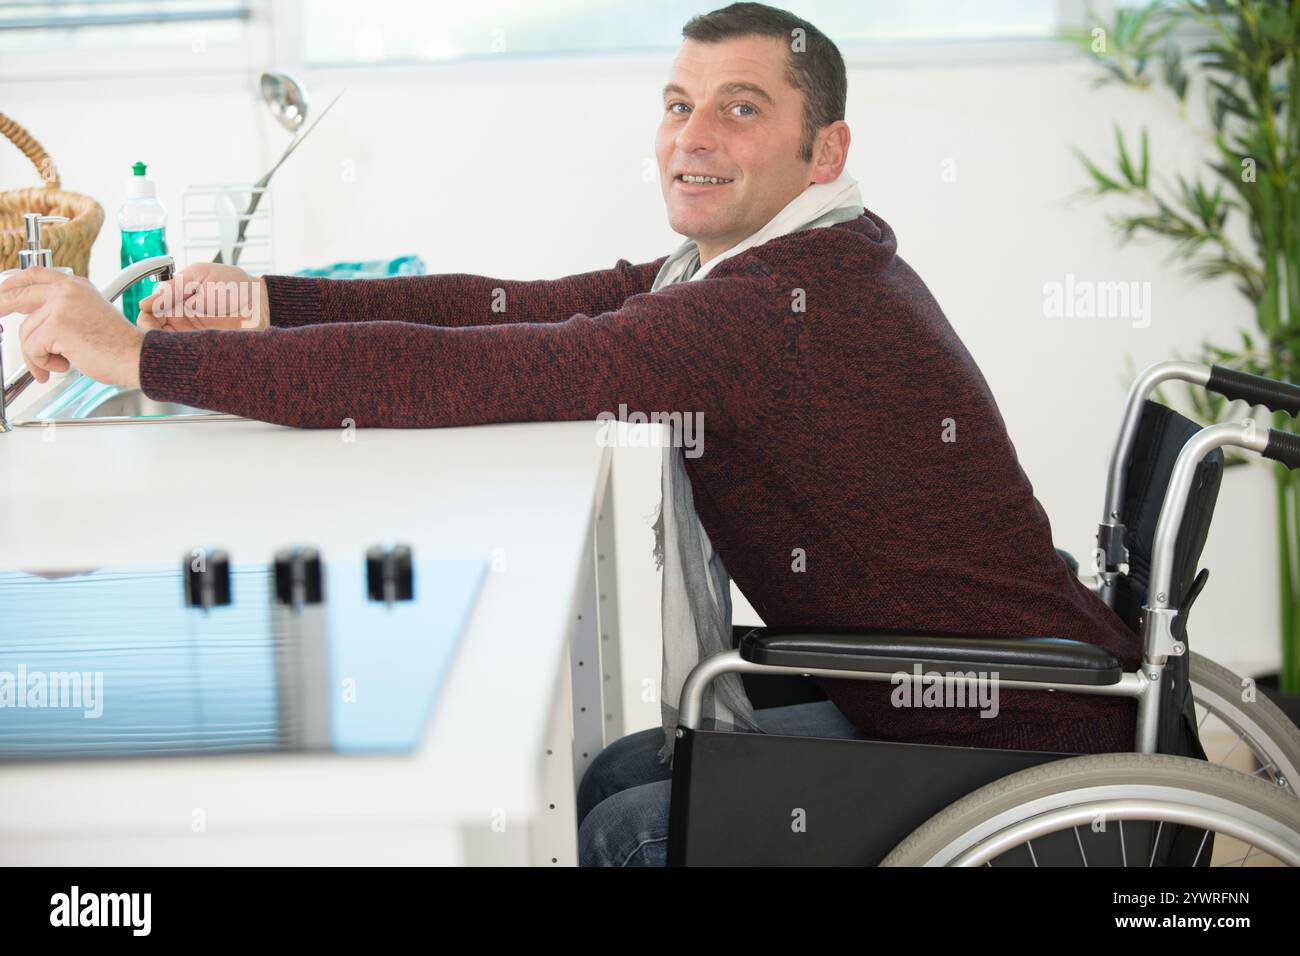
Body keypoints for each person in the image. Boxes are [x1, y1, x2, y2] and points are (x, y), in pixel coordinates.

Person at [0, 3, 1141, 867]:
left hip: (1017, 747)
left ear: (823, 152)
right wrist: (270, 300)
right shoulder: (762, 266)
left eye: (740, 108)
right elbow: (522, 305)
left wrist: (142, 357)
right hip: (963, 688)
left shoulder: (767, 305)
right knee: (616, 769)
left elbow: (499, 367)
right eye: (677, 103)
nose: (691, 136)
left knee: (628, 821)